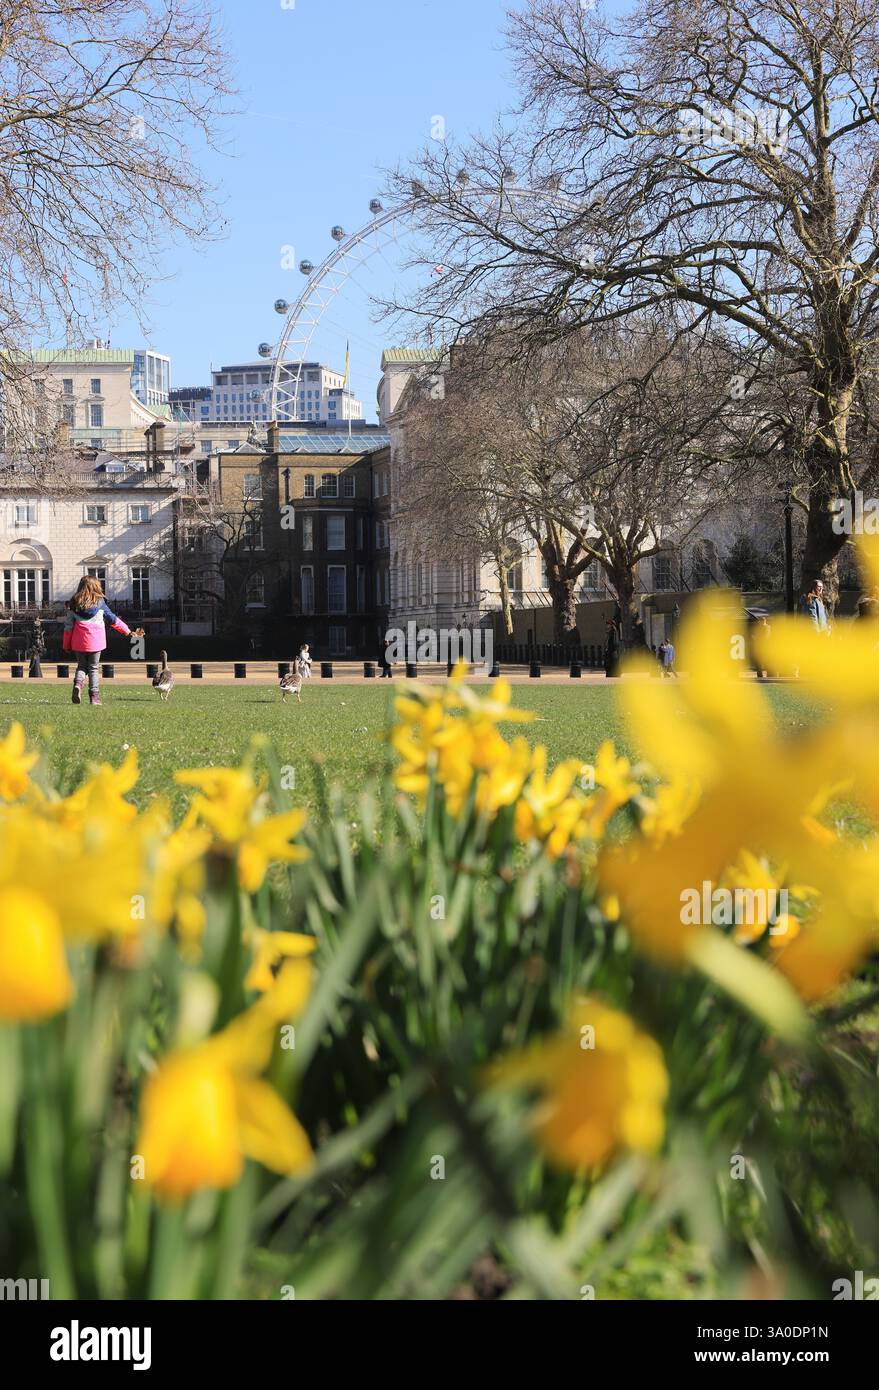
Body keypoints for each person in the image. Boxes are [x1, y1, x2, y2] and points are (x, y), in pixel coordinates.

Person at [62, 576, 141, 706]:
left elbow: (68, 627)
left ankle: (78, 684)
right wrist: (127, 631)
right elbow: (113, 620)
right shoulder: (100, 603)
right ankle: (94, 698)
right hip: (95, 641)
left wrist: (66, 644)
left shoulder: (73, 604)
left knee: (81, 666)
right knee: (93, 668)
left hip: (79, 641)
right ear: (96, 587)